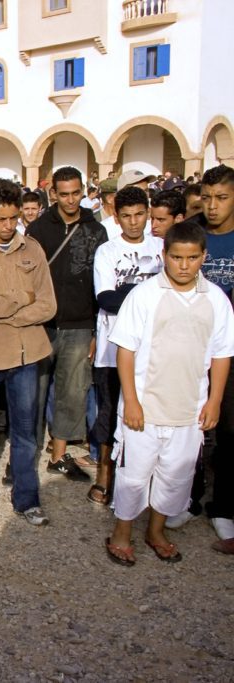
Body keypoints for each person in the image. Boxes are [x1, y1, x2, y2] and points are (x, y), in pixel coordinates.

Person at [105, 222, 234, 565]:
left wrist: (215, 400)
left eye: (192, 258)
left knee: (175, 474)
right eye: (176, 257)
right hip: (145, 407)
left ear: (203, 257)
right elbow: (126, 350)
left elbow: (222, 353)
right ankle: (122, 532)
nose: (183, 265)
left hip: (189, 408)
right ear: (165, 256)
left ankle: (156, 530)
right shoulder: (144, 295)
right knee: (134, 475)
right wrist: (131, 400)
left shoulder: (216, 300)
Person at [0, 180, 57, 527]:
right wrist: (20, 302)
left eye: (14, 219)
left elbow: (47, 305)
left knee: (25, 432)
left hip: (26, 354)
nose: (8, 226)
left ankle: (27, 499)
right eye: (2, 219)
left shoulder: (33, 249)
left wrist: (7, 312)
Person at [27, 166, 107, 479]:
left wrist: (96, 331)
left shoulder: (96, 230)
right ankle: (24, 457)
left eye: (76, 193)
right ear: (54, 194)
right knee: (32, 393)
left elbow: (101, 283)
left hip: (80, 323)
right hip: (41, 325)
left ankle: (58, 455)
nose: (71, 200)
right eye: (64, 194)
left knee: (72, 392)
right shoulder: (38, 229)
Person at [88, 186, 164, 506]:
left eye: (139, 215)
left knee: (150, 413)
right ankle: (104, 474)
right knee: (108, 411)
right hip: (112, 347)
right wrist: (151, 296)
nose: (134, 223)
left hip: (156, 348)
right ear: (116, 218)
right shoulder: (107, 251)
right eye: (126, 216)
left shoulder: (162, 247)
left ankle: (145, 478)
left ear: (147, 215)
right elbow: (106, 298)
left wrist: (131, 295)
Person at [195, 164, 234, 552]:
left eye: (221, 198)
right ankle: (185, 499)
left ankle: (223, 505)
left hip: (229, 348)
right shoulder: (192, 232)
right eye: (207, 197)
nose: (212, 206)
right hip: (191, 346)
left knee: (228, 430)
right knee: (189, 424)